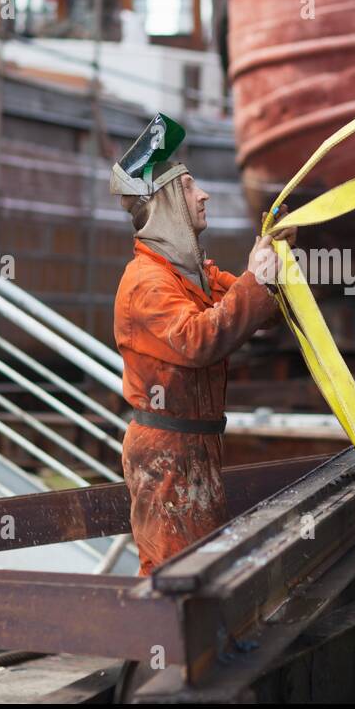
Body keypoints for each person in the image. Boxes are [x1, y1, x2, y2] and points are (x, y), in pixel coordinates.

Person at [111, 114, 290, 575]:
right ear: (167, 203)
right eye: (190, 187)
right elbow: (200, 341)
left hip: (194, 446)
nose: (204, 194)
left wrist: (278, 263)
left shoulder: (194, 277)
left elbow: (258, 315)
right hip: (167, 453)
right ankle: (156, 648)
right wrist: (256, 279)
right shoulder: (147, 284)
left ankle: (168, 647)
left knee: (200, 572)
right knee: (174, 576)